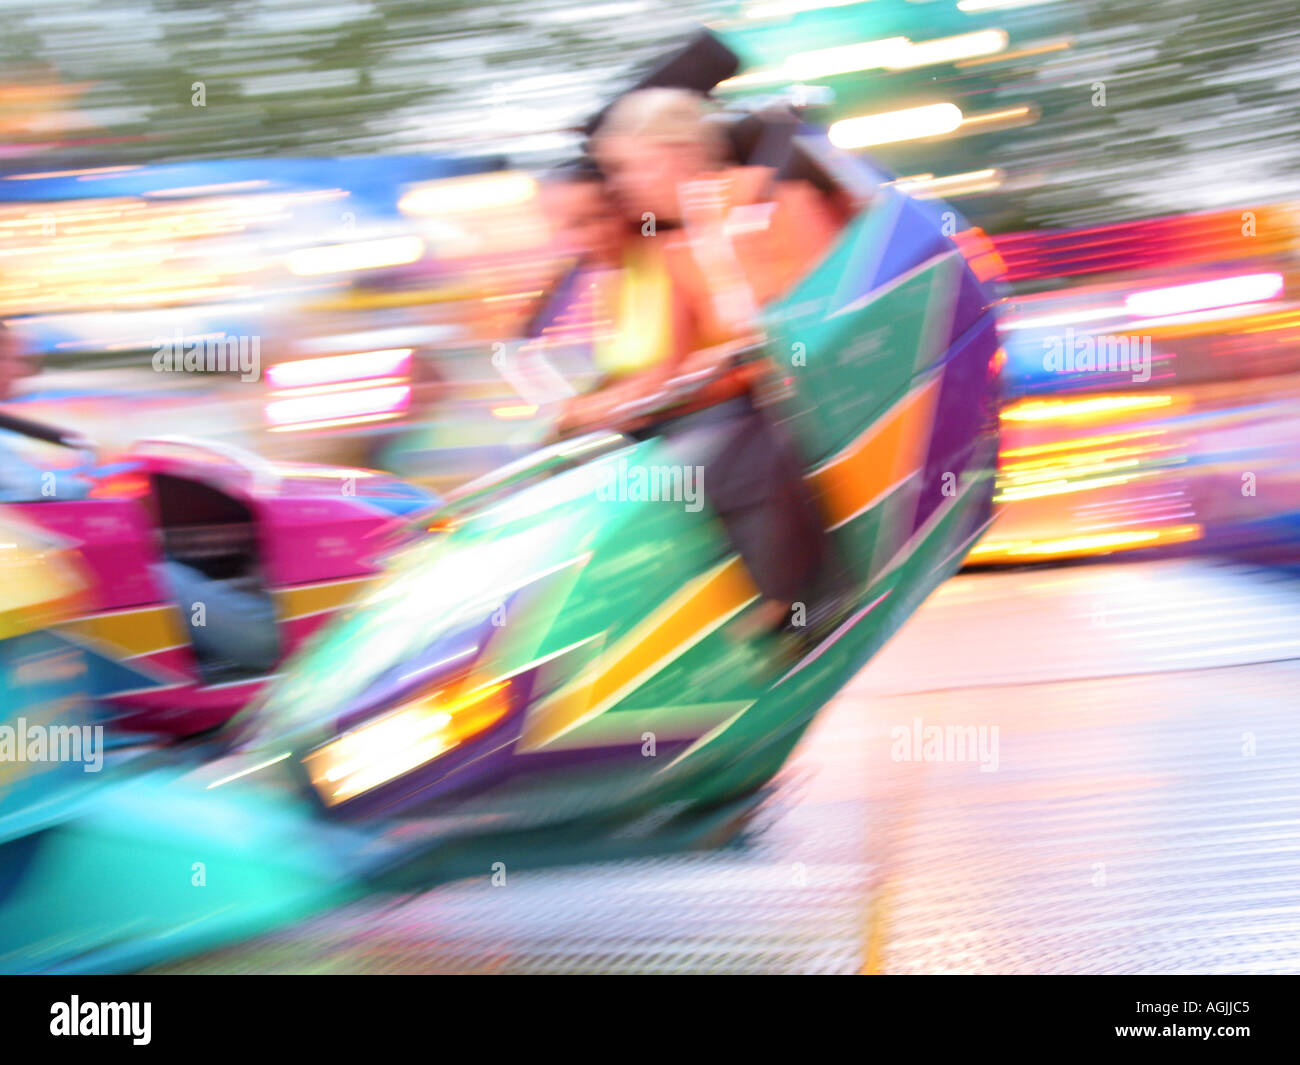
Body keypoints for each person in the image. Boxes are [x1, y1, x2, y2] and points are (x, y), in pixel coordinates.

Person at [562, 88, 843, 638]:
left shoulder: (767, 201)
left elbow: (825, 297)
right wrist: (594, 411)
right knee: (631, 461)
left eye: (629, 168)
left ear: (675, 154)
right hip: (743, 393)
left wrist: (743, 351)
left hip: (807, 385)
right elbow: (667, 365)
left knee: (722, 444)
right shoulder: (673, 250)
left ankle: (801, 596)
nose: (620, 187)